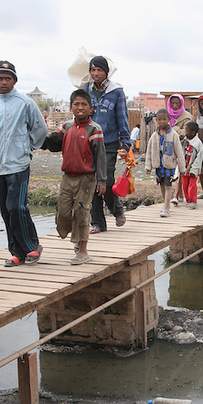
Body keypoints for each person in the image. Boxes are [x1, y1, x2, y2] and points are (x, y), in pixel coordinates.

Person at [0, 60, 48, 267]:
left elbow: (40, 129)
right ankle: (16, 252)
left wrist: (27, 147)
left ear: (14, 80)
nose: (4, 82)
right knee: (5, 209)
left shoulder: (25, 103)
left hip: (19, 164)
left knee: (17, 207)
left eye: (8, 78)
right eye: (0, 78)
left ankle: (32, 247)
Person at [42, 89, 108, 265]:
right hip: (67, 177)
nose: (80, 108)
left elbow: (101, 158)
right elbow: (53, 143)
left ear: (90, 108)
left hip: (86, 179)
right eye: (76, 104)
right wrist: (38, 136)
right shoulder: (66, 127)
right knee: (63, 212)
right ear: (71, 107)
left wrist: (102, 181)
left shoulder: (95, 130)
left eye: (84, 104)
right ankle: (76, 237)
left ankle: (83, 250)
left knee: (82, 211)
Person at [82, 55, 131, 233]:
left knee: (107, 182)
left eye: (99, 70)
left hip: (109, 144)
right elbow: (78, 113)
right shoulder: (85, 90)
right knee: (93, 182)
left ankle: (116, 209)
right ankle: (98, 223)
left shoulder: (116, 92)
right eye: (93, 70)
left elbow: (122, 118)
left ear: (106, 72)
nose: (96, 73)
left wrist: (126, 143)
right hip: (88, 143)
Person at [145, 109, 186, 217]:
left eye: (164, 119)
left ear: (169, 119)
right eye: (159, 119)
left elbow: (179, 152)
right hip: (158, 165)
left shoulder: (173, 135)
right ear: (156, 120)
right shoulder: (154, 136)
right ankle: (165, 203)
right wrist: (148, 166)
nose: (162, 121)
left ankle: (166, 207)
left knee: (168, 185)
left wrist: (182, 168)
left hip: (169, 165)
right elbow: (149, 151)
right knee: (162, 184)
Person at [180, 121, 203, 209]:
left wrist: (194, 169)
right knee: (185, 184)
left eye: (187, 130)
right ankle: (188, 200)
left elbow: (199, 158)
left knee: (192, 184)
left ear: (193, 133)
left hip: (193, 168)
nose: (185, 132)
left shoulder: (198, 144)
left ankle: (193, 201)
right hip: (184, 167)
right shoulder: (185, 141)